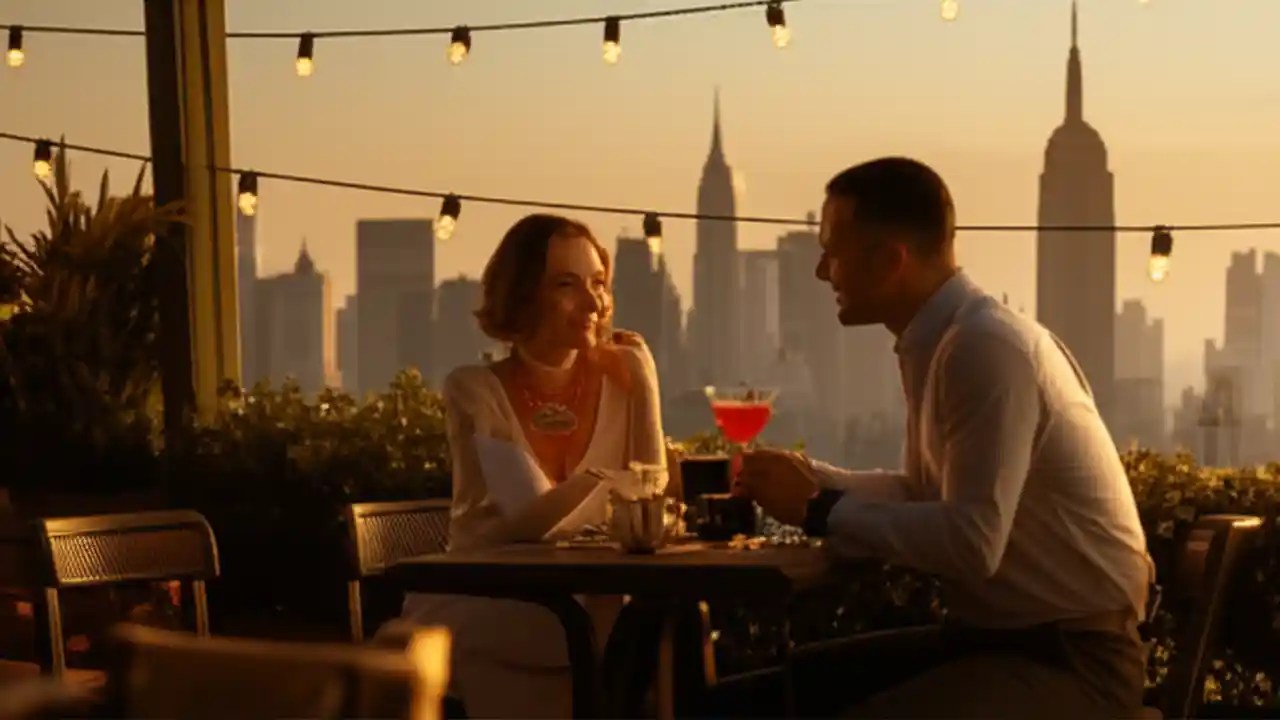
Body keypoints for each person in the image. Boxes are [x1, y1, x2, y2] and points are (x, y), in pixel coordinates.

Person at [738, 157, 1155, 718]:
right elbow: (925, 492)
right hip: (1001, 644)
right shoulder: (942, 340)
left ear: (890, 261)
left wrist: (820, 509)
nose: (820, 272)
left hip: (1074, 665)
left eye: (831, 252)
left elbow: (973, 541)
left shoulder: (984, 348)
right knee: (783, 691)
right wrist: (808, 478)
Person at [389, 213, 667, 718]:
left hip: (584, 600)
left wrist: (647, 386)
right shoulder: (473, 388)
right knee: (592, 628)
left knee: (657, 621)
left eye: (599, 284)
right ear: (522, 294)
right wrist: (605, 480)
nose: (593, 303)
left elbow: (652, 491)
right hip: (485, 594)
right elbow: (529, 522)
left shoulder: (620, 385)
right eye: (567, 285)